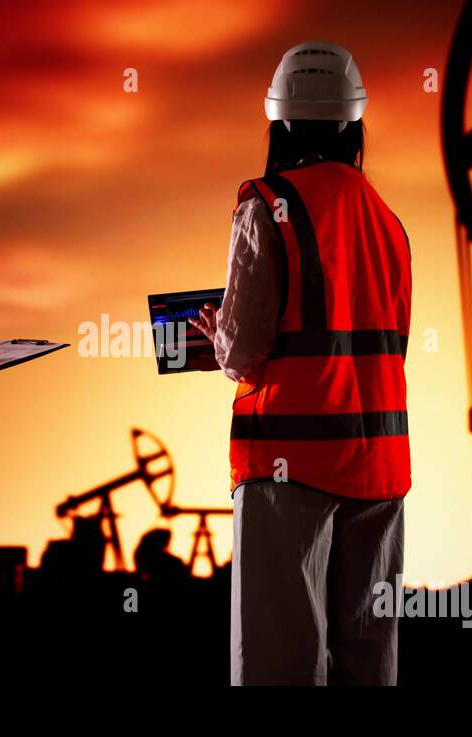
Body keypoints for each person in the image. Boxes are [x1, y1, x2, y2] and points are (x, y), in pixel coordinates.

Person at [189, 41, 412, 685]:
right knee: (370, 662)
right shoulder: (389, 221)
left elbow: (246, 346)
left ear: (280, 122)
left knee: (280, 662)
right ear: (354, 122)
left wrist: (219, 336)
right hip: (380, 466)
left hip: (290, 464)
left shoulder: (267, 205)